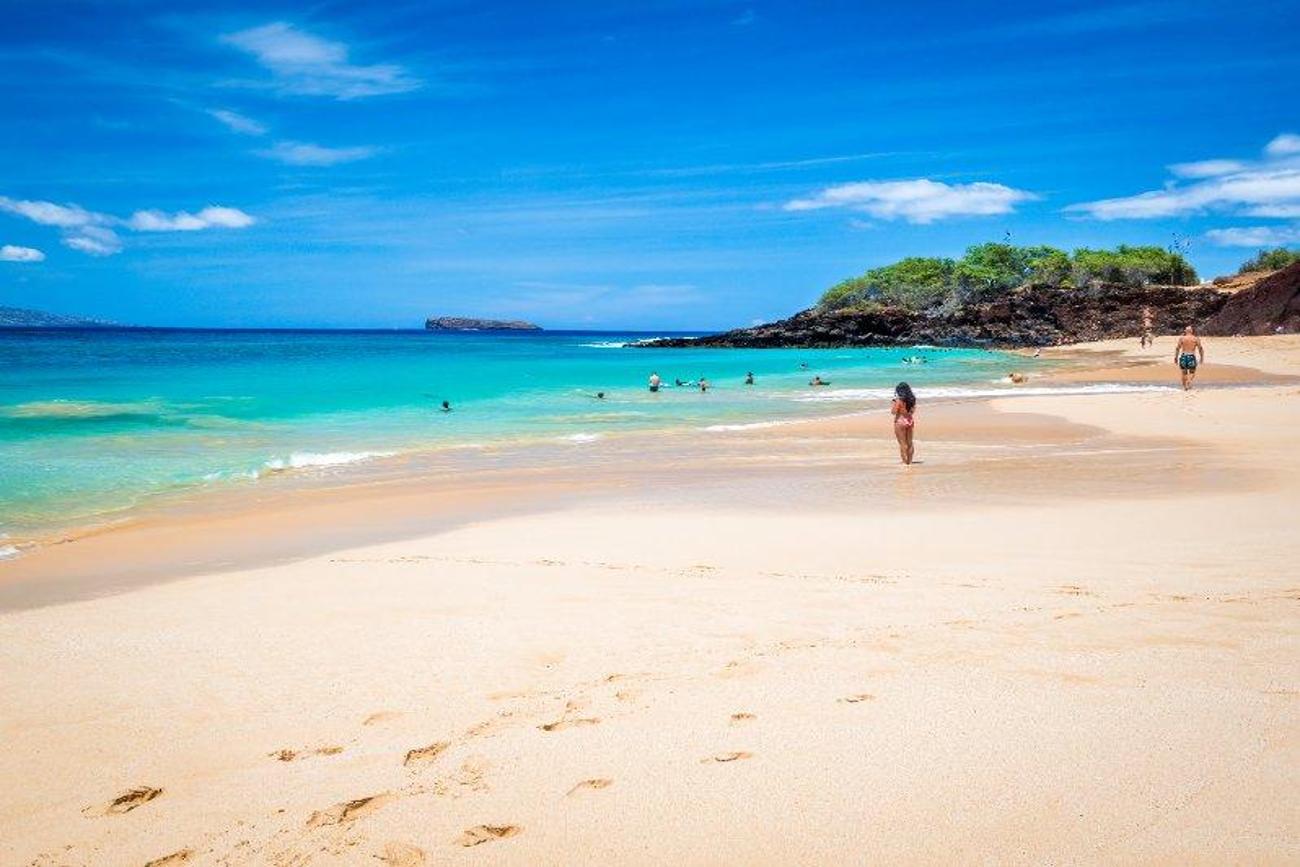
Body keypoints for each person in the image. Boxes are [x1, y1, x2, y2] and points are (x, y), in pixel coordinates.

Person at [891, 382, 916, 465]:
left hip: (900, 421)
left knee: (902, 443)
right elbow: (912, 411)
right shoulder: (912, 399)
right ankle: (910, 461)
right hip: (910, 420)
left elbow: (893, 412)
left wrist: (893, 403)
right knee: (910, 442)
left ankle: (905, 462)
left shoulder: (898, 400)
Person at [1174, 325, 1204, 390]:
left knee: (1184, 372)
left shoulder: (1182, 338)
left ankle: (1185, 387)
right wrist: (1201, 357)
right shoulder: (1195, 339)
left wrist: (1176, 357)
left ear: (1185, 331)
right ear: (1192, 331)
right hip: (1191, 356)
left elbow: (1177, 348)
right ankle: (1189, 381)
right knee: (1192, 372)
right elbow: (1200, 348)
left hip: (1184, 356)